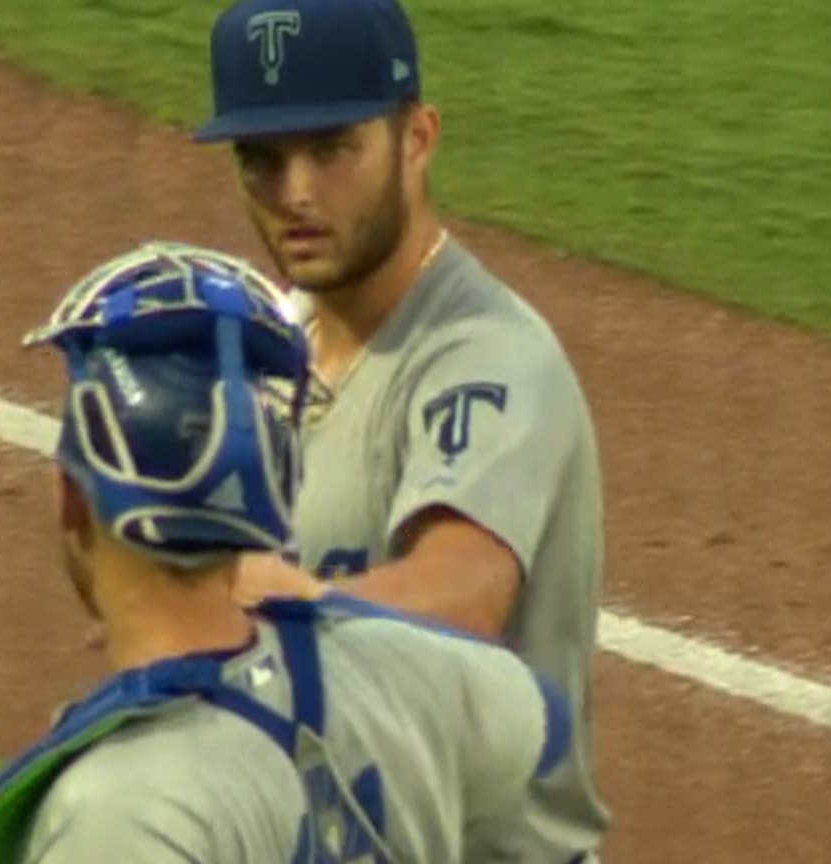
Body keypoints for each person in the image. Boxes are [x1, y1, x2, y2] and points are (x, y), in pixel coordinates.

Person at [0, 241, 571, 864]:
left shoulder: (119, 813)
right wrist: (325, 608)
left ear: (72, 501)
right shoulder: (396, 675)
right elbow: (539, 722)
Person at [191, 0, 612, 860]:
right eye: (261, 160)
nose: (294, 193)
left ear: (417, 138)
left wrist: (274, 607)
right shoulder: (266, 348)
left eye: (332, 149)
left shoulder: (486, 357)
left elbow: (464, 594)